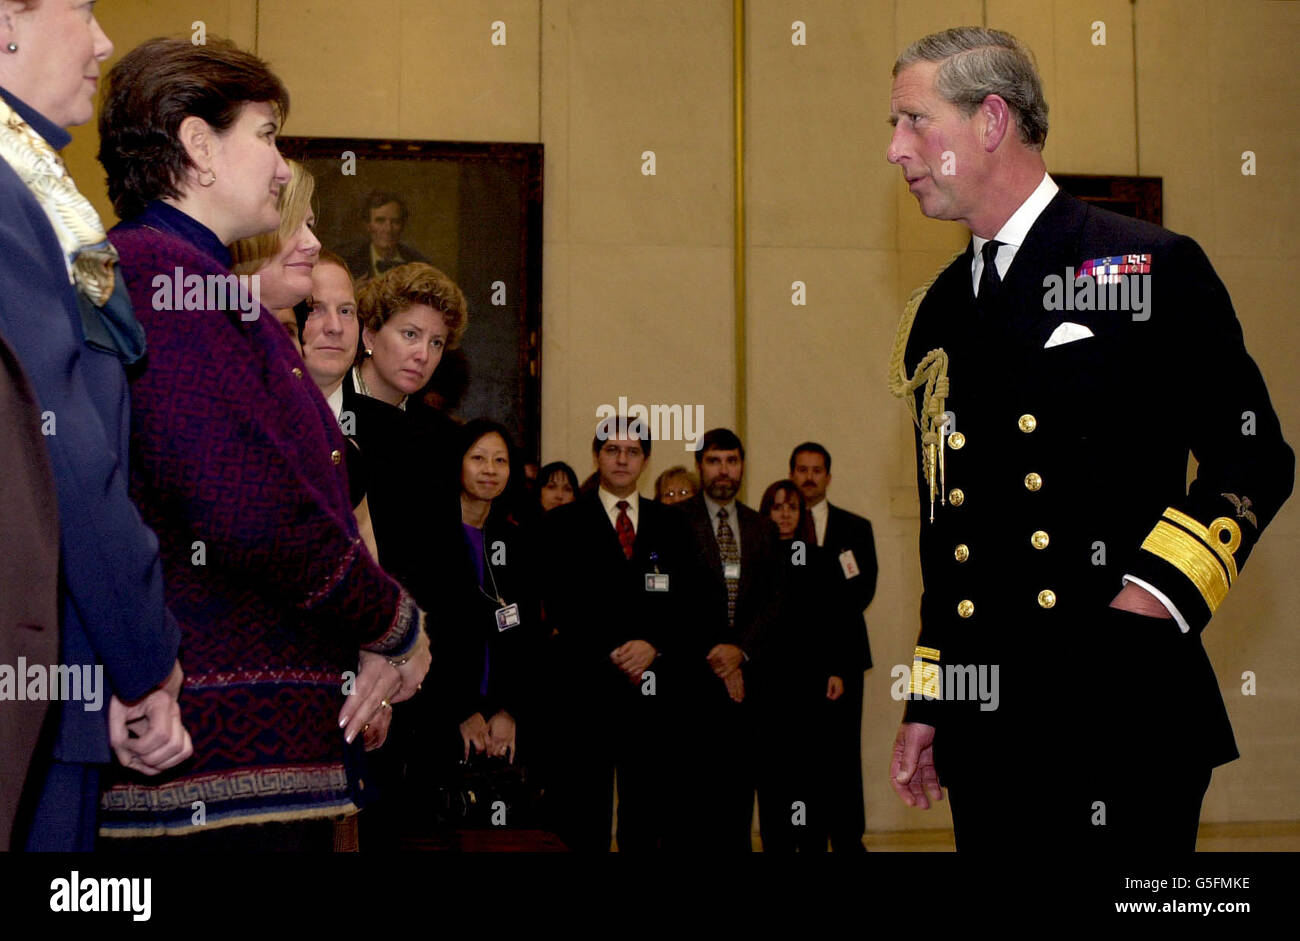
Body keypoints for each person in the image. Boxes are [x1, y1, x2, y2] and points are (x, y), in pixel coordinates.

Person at [885, 27, 1293, 853]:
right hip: (986, 727)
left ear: (991, 121)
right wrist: (932, 694)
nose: (896, 149)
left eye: (914, 121)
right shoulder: (939, 310)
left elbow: (1253, 455)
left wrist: (1149, 600)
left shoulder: (1140, 265)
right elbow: (950, 536)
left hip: (1117, 714)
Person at [96, 36, 430, 847]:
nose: (284, 168)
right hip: (211, 765)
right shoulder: (159, 275)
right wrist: (397, 623)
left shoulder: (204, 285)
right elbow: (250, 508)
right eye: (268, 134)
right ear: (199, 146)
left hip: (257, 752)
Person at [0, 0, 191, 851]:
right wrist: (146, 656)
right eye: (82, 9)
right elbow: (67, 457)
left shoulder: (36, 186)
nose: (105, 42)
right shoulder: (10, 200)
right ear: (8, 21)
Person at [540, 417, 697, 851]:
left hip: (653, 690)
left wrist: (653, 645)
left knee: (646, 815)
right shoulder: (564, 524)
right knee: (583, 813)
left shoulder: (673, 525)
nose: (622, 459)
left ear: (646, 460)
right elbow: (558, 601)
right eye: (612, 450)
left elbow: (689, 601)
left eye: (632, 451)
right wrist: (609, 650)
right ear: (597, 456)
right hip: (586, 685)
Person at [395, 420, 540, 840]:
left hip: (500, 723)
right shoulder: (425, 538)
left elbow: (526, 638)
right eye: (478, 458)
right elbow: (421, 634)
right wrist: (461, 711)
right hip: (435, 716)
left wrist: (508, 711)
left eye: (500, 460)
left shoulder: (516, 541)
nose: (489, 469)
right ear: (458, 464)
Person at [674, 428, 785, 850]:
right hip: (692, 684)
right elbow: (672, 600)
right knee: (691, 807)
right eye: (715, 461)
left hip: (749, 689)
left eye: (732, 461)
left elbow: (776, 601)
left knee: (738, 803)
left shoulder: (763, 529)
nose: (724, 470)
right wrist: (717, 654)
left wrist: (741, 651)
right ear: (700, 466)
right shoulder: (675, 522)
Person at [753, 480, 856, 852]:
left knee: (811, 777)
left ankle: (811, 842)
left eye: (792, 507)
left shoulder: (820, 558)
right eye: (777, 506)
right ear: (766, 511)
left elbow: (837, 621)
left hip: (811, 685)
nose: (784, 514)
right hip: (767, 686)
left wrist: (836, 670)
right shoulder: (755, 557)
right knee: (773, 778)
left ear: (801, 514)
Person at [788, 441, 877, 851]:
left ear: (828, 475)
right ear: (792, 474)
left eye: (816, 470)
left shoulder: (855, 528)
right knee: (799, 755)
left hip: (844, 657)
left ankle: (846, 837)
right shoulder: (776, 523)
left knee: (842, 755)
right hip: (793, 663)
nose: (809, 477)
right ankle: (803, 835)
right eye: (802, 469)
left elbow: (860, 592)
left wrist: (835, 661)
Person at [230, 158, 321, 355]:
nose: (314, 244)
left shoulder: (263, 343)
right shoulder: (208, 341)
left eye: (309, 225)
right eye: (290, 225)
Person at [338, 191, 431, 283]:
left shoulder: (420, 265)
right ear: (368, 225)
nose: (388, 229)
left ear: (402, 225)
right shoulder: (347, 262)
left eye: (395, 221)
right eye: (380, 221)